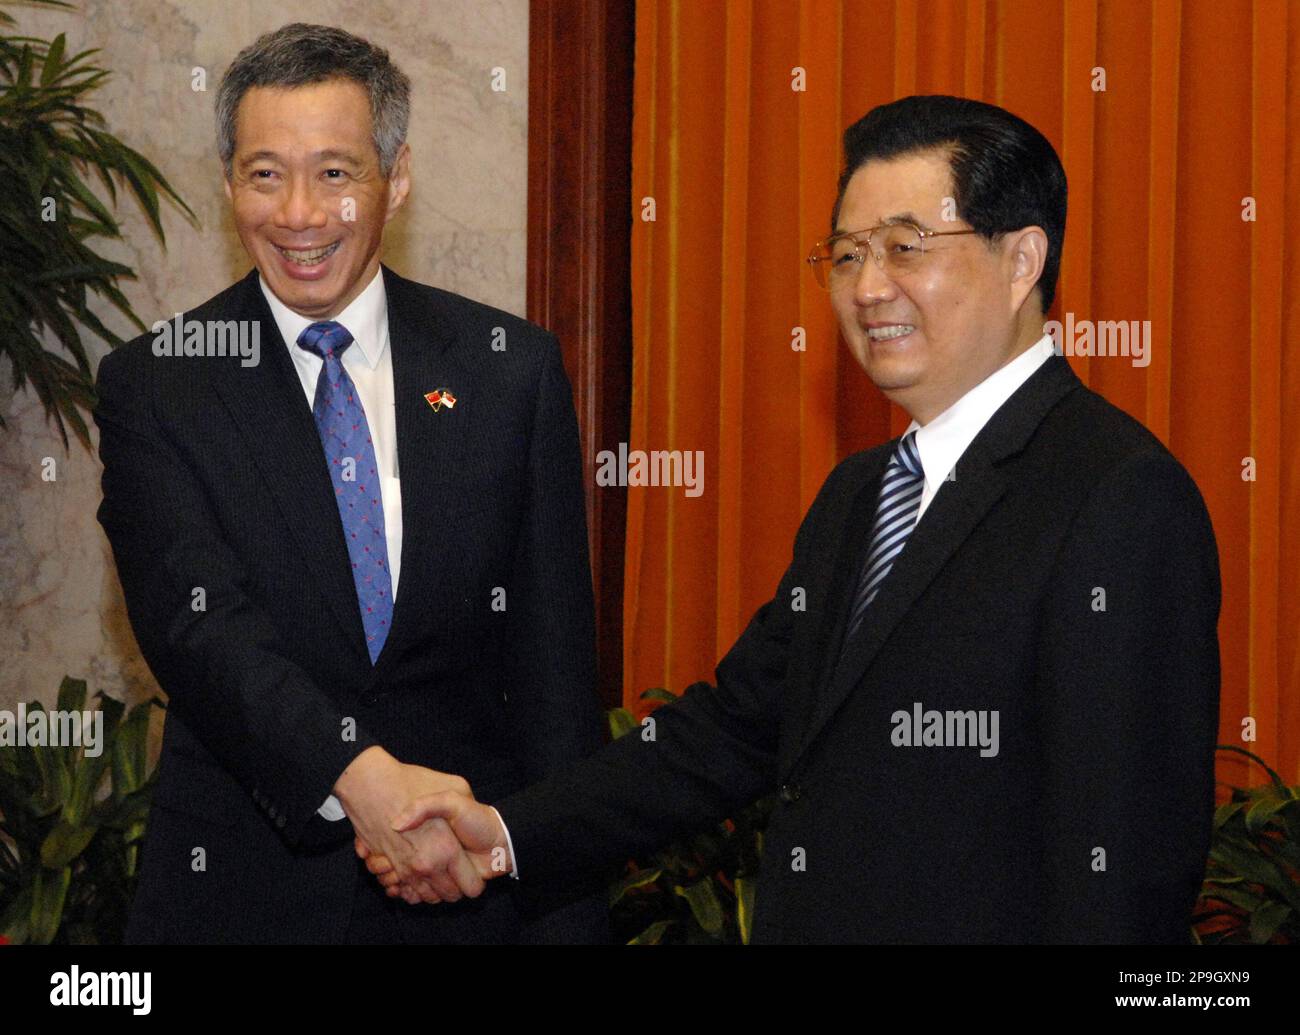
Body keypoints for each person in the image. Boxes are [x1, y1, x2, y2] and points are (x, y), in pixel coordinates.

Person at [362, 95, 1222, 944]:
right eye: (846, 254)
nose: (868, 287)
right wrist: (506, 833)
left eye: (904, 247)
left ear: (1022, 258)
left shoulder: (1117, 494)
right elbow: (731, 729)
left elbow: (1127, 868)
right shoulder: (861, 493)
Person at [94, 22, 606, 944]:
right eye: (263, 173)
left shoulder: (509, 371)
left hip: (467, 900)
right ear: (227, 183)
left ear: (394, 179)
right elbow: (202, 631)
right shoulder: (159, 382)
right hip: (243, 899)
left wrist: (567, 918)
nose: (298, 212)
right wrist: (359, 778)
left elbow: (554, 682)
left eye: (335, 172)